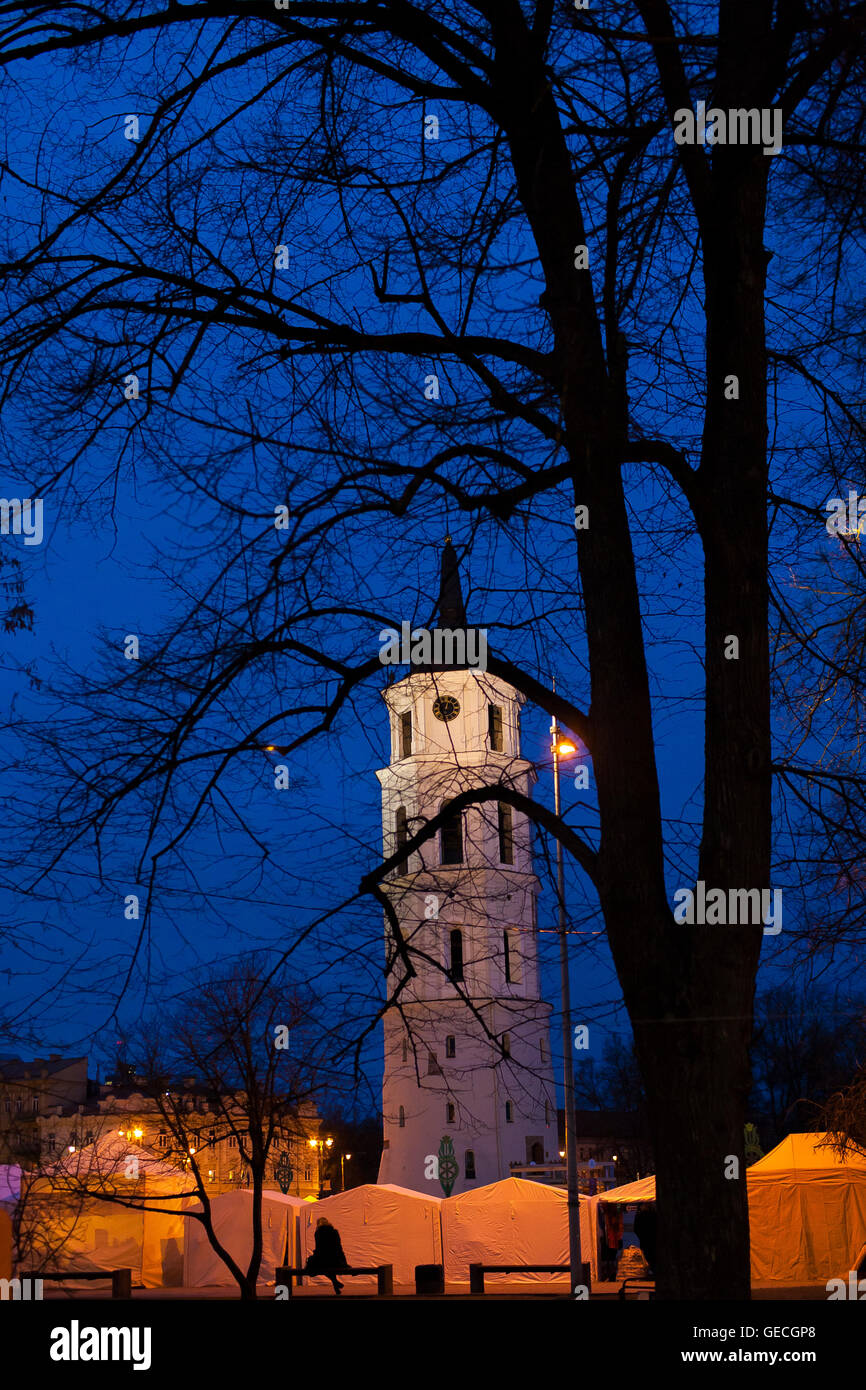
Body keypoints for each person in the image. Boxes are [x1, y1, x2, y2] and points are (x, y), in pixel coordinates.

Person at [304, 1217, 350, 1295]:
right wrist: (344, 1261)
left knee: (319, 1265)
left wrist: (315, 1256)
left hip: (323, 1260)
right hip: (335, 1259)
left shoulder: (318, 1233)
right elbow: (339, 1247)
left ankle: (335, 1282)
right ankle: (335, 1283)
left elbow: (319, 1248)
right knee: (329, 1265)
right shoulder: (335, 1232)